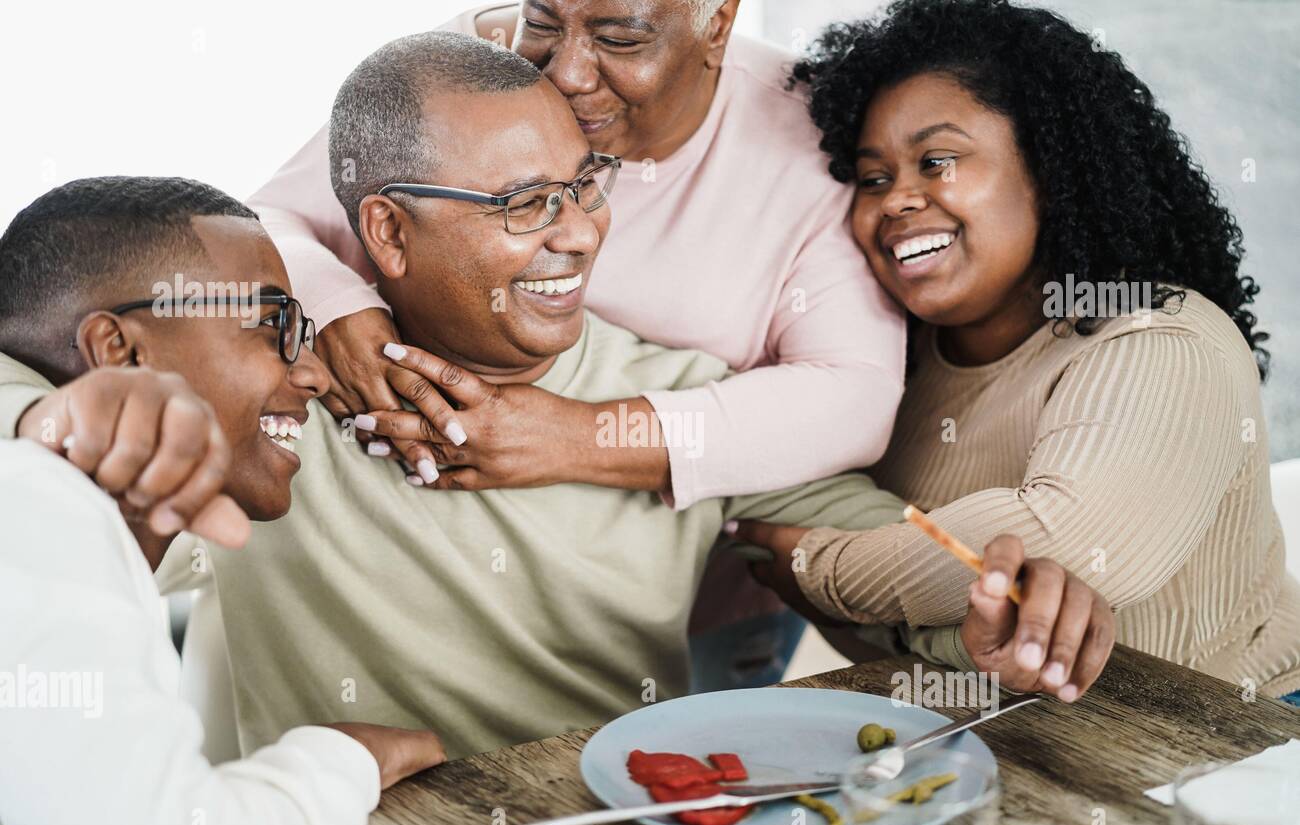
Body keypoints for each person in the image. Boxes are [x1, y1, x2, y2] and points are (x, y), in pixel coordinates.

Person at [181, 33, 1108, 760]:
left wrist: (1002, 616)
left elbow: (898, 564)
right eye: (523, 204)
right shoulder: (269, 389)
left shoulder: (689, 399)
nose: (581, 235)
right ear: (386, 229)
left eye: (584, 187)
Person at [245, 0, 908, 690]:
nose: (564, 74)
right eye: (543, 21)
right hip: (414, 554)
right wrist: (331, 305)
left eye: (620, 38)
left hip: (693, 575)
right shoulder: (479, 63)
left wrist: (577, 437)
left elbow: (856, 394)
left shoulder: (810, 127)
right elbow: (257, 219)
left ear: (718, 24)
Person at [735, 0, 1300, 699]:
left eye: (936, 161)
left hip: (1246, 746)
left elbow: (1053, 547)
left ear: (1050, 164)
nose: (897, 200)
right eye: (874, 177)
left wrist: (806, 559)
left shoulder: (1164, 336)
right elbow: (905, 622)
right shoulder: (889, 365)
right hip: (1040, 748)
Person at [0, 176, 445, 825]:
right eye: (274, 328)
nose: (315, 375)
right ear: (120, 352)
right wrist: (343, 761)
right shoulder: (44, 508)